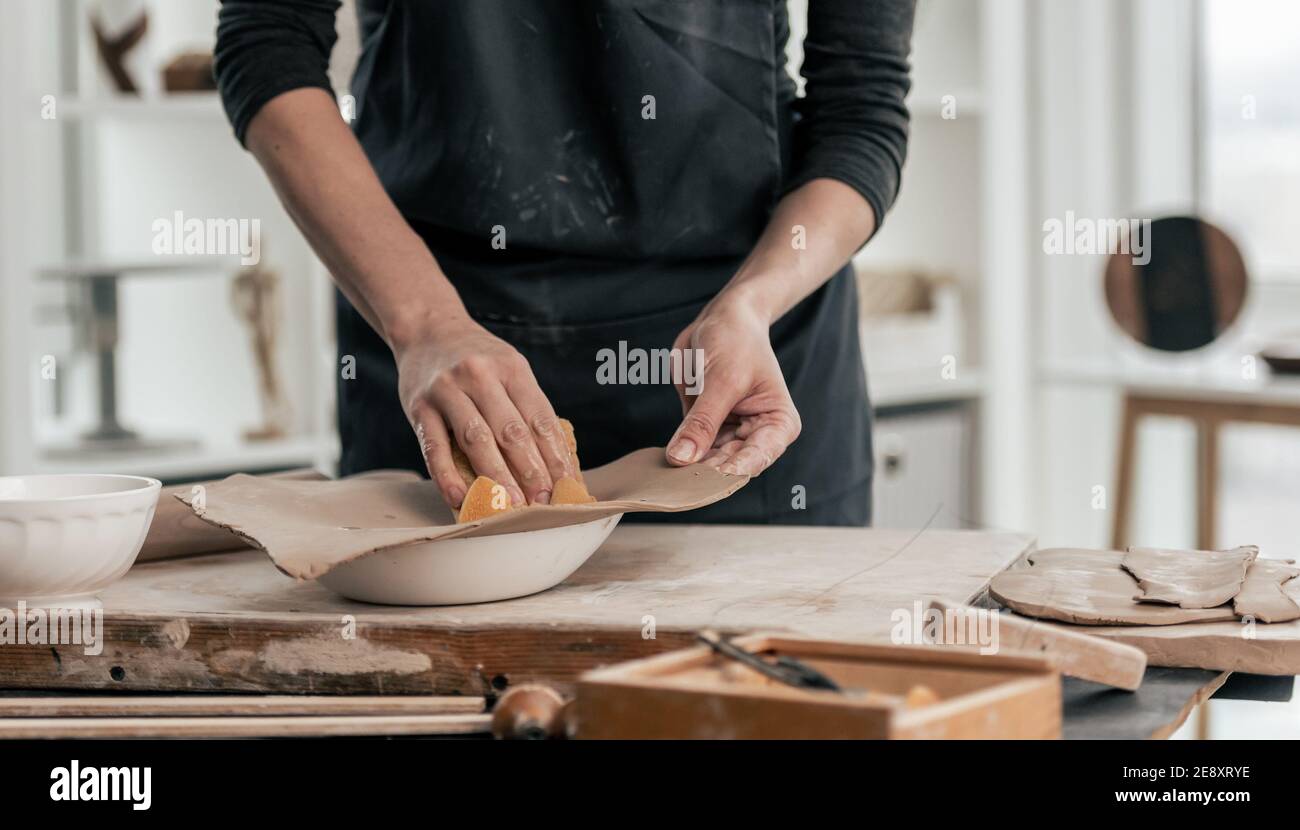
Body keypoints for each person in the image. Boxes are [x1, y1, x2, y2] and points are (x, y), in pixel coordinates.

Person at [214, 0, 914, 525]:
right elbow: (269, 44)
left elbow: (860, 109)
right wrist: (424, 321)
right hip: (445, 351)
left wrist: (753, 302)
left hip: (741, 364)